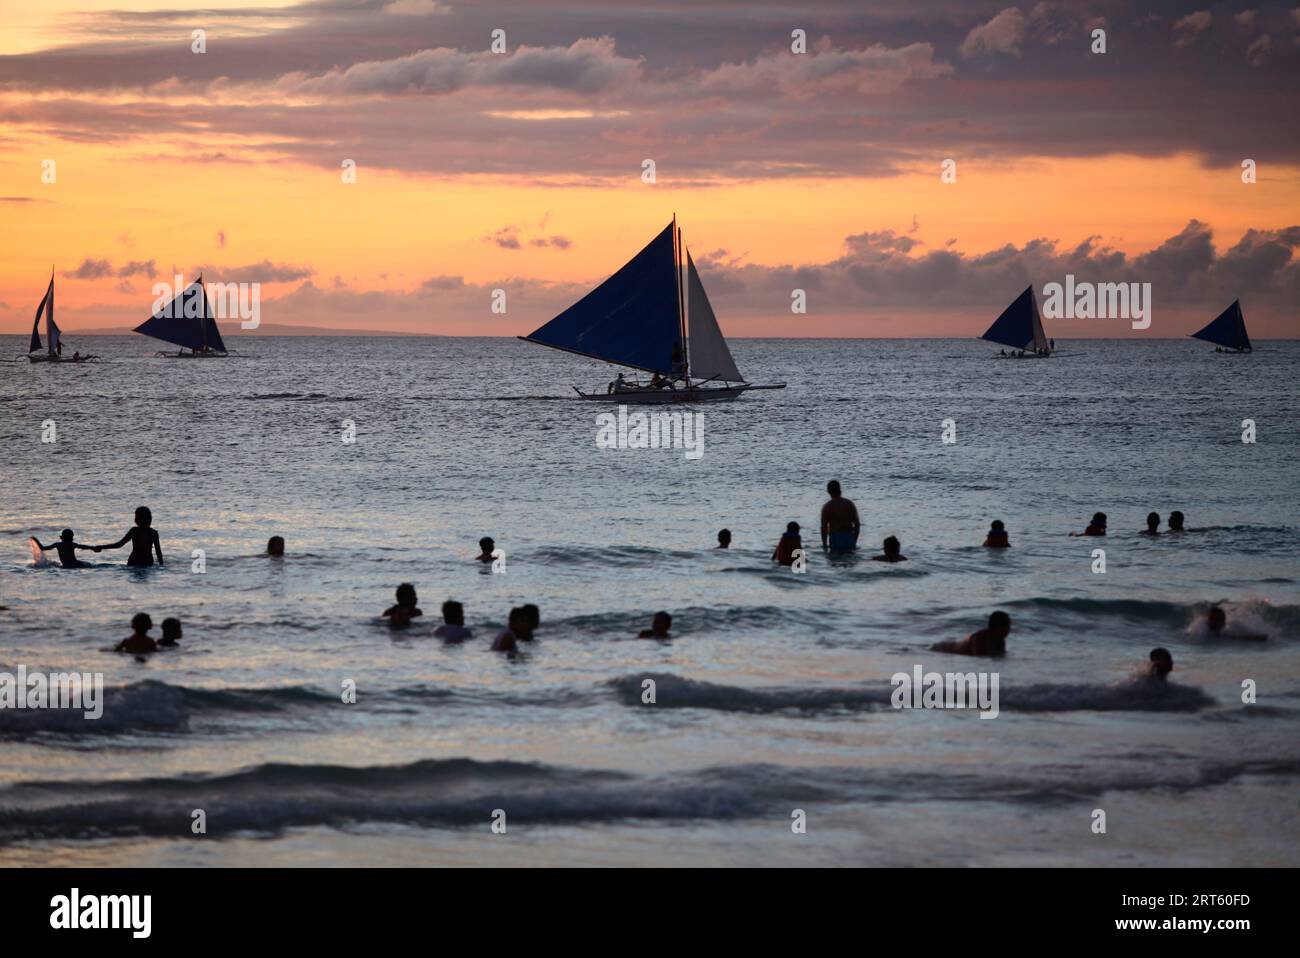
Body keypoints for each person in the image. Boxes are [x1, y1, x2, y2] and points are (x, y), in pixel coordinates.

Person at [95, 506, 164, 567]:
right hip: (147, 561)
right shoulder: (153, 533)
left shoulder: (134, 531)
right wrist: (162, 565)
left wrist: (102, 547)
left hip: (134, 560)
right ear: (149, 518)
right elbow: (158, 552)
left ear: (137, 519)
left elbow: (119, 544)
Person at [931, 611, 1010, 656]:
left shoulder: (1000, 640)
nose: (1008, 629)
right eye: (1005, 626)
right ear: (995, 626)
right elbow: (976, 656)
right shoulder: (979, 637)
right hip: (944, 648)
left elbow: (1001, 655)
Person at [820, 480, 860, 553]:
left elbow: (824, 527)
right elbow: (857, 524)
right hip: (848, 536)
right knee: (849, 560)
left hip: (835, 537)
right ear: (840, 490)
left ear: (828, 491)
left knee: (835, 561)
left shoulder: (827, 507)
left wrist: (824, 544)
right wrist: (854, 541)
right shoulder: (849, 504)